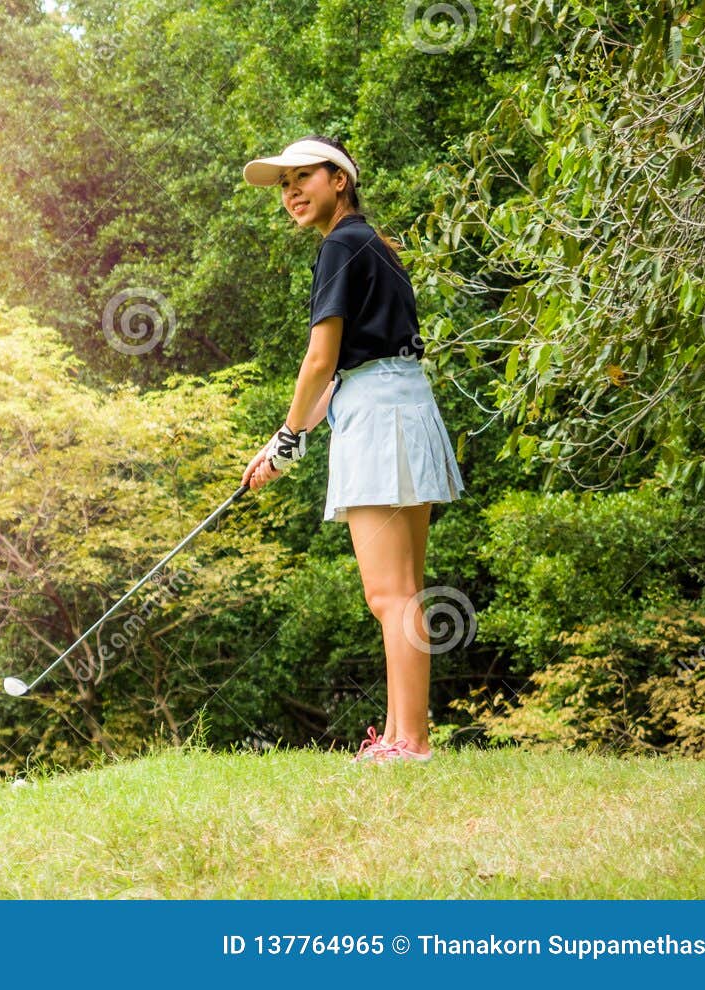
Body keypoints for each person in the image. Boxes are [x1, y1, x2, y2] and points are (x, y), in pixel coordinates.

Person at [237, 136, 466, 765]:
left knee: (390, 596)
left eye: (302, 178)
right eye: (284, 185)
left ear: (339, 180)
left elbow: (321, 358)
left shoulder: (341, 244)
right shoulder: (373, 244)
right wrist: (284, 442)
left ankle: (411, 744)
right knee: (404, 592)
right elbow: (341, 373)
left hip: (379, 417)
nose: (290, 194)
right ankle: (397, 736)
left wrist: (288, 434)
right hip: (399, 405)